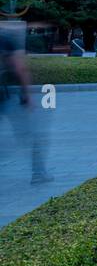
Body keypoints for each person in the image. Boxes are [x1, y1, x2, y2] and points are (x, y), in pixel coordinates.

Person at [0, 24, 50, 184]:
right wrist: (28, 95)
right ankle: (39, 173)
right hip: (4, 95)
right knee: (30, 133)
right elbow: (20, 67)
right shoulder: (4, 39)